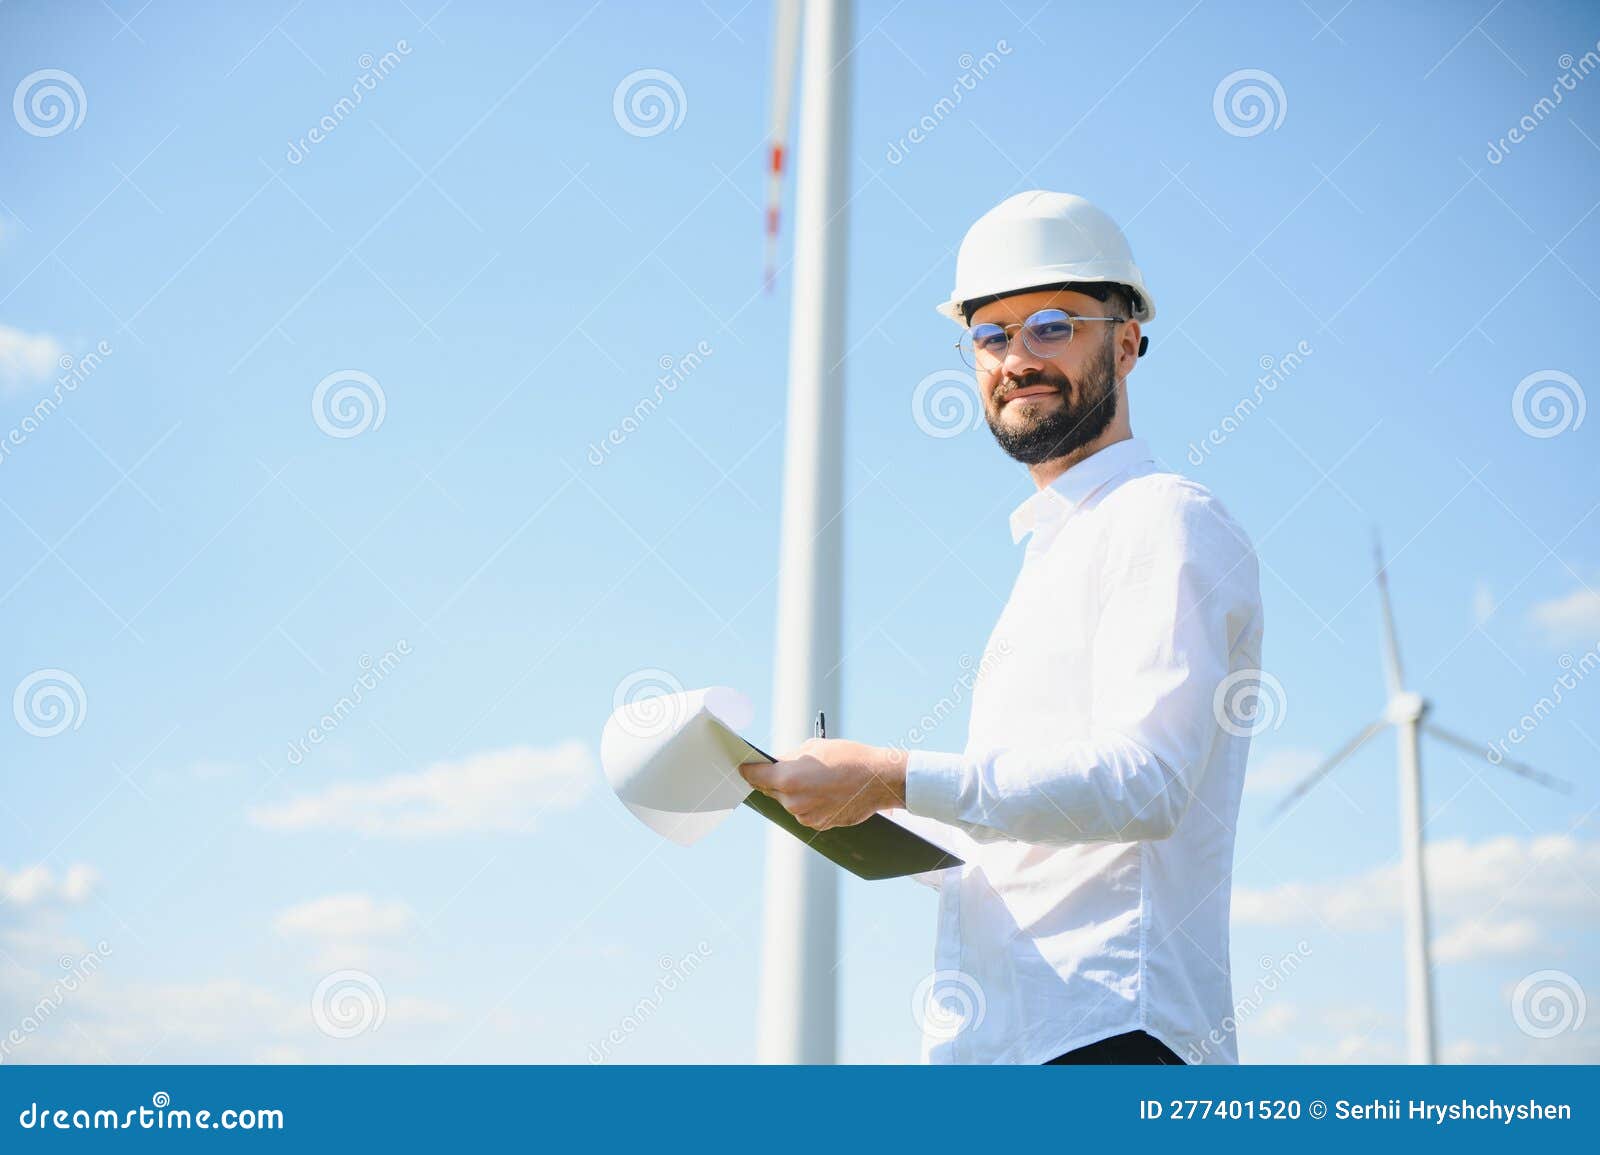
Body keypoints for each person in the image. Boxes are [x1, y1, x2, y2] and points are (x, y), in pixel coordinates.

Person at [739, 190, 1264, 1065]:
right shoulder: (1054, 552)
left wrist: (894, 776)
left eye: (1052, 325)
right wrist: (850, 804)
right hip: (1006, 1047)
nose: (1017, 358)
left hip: (1111, 1037)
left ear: (1128, 341)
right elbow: (1032, 824)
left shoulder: (1163, 518)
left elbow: (1146, 783)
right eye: (992, 335)